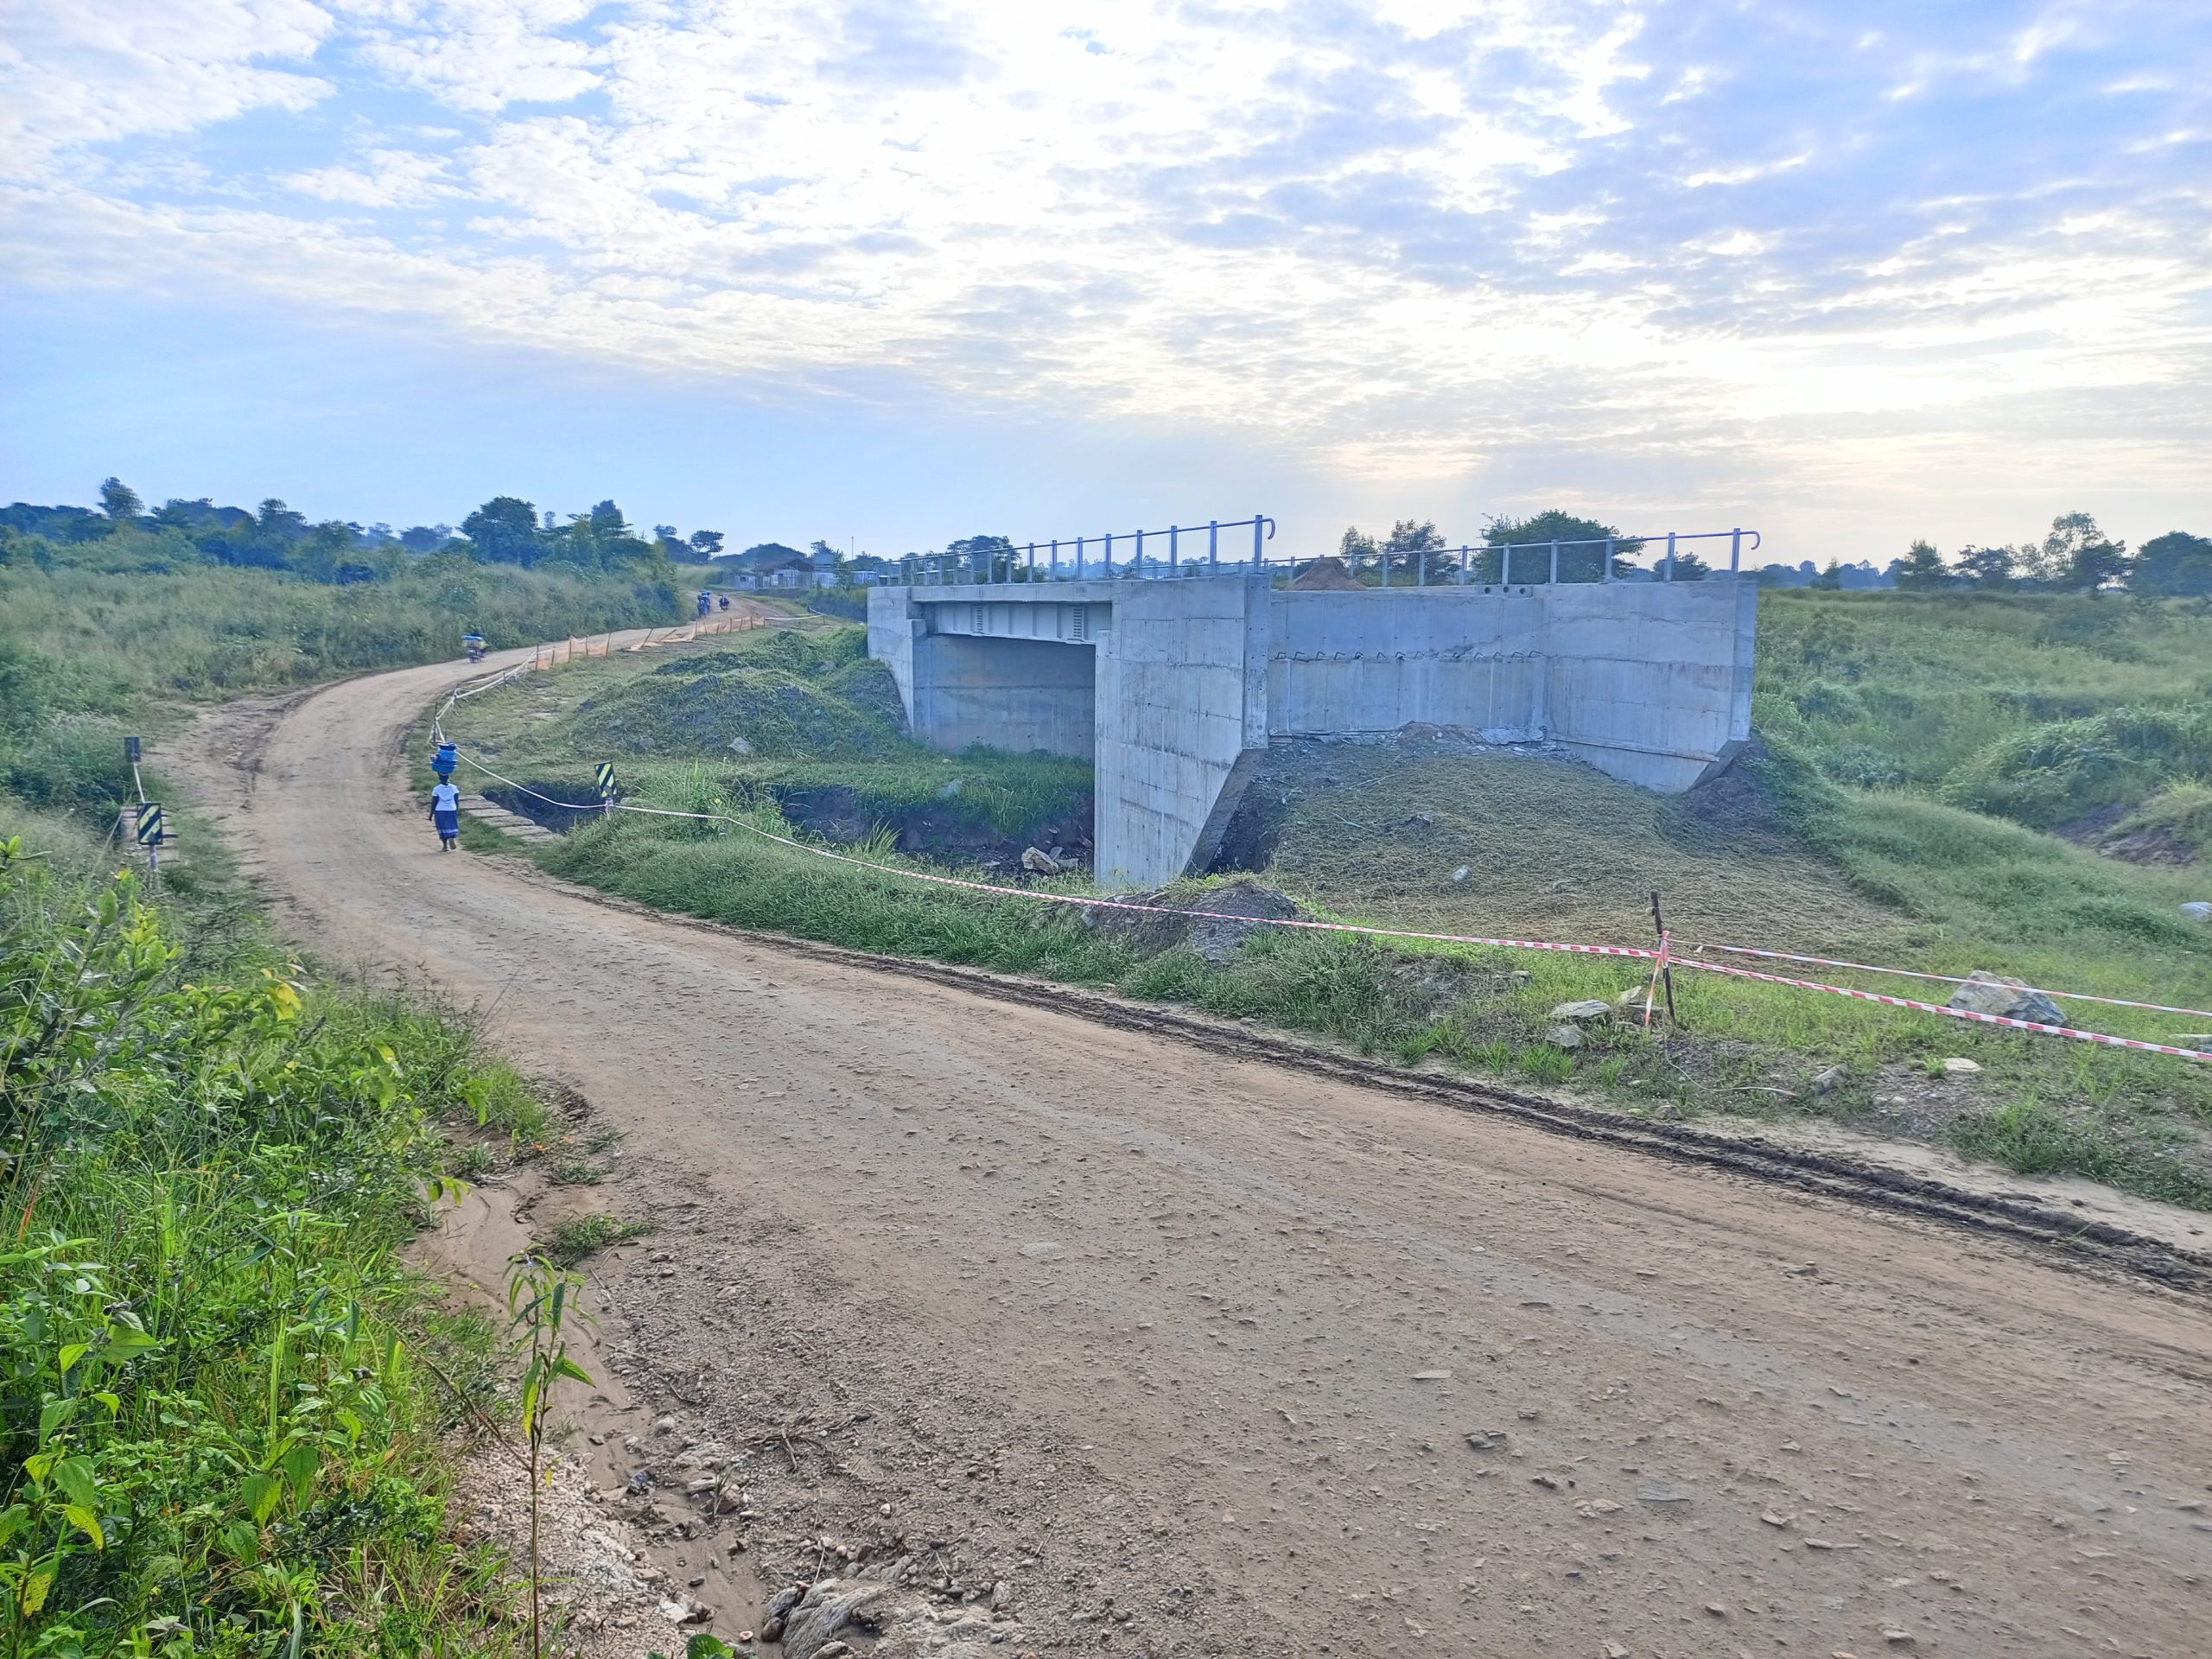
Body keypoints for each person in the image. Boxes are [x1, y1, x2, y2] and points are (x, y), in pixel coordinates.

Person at [429, 779, 462, 851]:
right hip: (452, 809)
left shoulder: (436, 789)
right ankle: (451, 837)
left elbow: (434, 802)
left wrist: (431, 814)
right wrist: (457, 810)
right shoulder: (454, 787)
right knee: (451, 826)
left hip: (440, 810)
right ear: (448, 779)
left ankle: (445, 846)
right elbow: (456, 800)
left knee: (442, 828)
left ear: (440, 778)